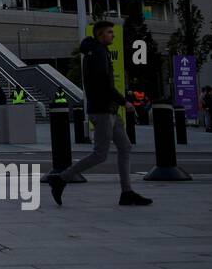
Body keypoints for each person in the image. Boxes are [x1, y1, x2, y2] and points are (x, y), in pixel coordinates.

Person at [47, 21, 151, 207]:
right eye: (110, 32)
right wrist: (124, 101)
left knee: (125, 147)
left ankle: (127, 192)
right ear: (100, 34)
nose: (113, 35)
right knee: (100, 154)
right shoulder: (98, 53)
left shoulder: (96, 52)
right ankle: (61, 178)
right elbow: (104, 84)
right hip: (103, 110)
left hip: (109, 110)